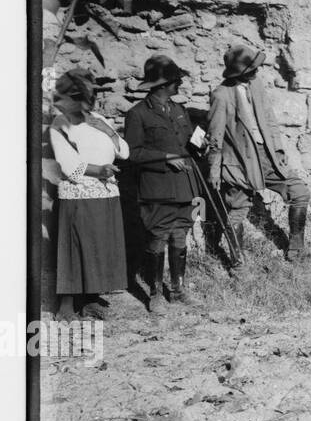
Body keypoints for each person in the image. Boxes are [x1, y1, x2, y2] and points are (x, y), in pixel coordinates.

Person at [207, 45, 311, 264]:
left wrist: (279, 150)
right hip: (240, 162)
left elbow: (269, 119)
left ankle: (295, 250)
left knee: (299, 192)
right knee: (237, 211)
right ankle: (238, 264)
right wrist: (215, 171)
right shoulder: (221, 96)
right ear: (240, 71)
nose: (256, 72)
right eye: (252, 68)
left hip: (267, 156)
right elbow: (215, 137)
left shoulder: (255, 85)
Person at [47, 68, 129, 321]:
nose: (90, 100)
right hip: (79, 193)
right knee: (76, 245)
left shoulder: (99, 120)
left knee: (99, 245)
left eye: (93, 95)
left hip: (106, 192)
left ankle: (90, 300)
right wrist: (99, 170)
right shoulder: (60, 124)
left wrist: (107, 130)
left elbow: (123, 152)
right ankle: (66, 306)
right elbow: (68, 164)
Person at [124, 55, 201, 311]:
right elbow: (132, 153)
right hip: (157, 189)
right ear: (162, 84)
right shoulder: (137, 115)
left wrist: (202, 144)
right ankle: (156, 294)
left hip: (184, 186)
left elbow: (188, 143)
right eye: (174, 80)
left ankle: (178, 290)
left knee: (180, 235)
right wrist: (165, 158)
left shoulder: (179, 110)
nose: (178, 84)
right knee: (157, 238)